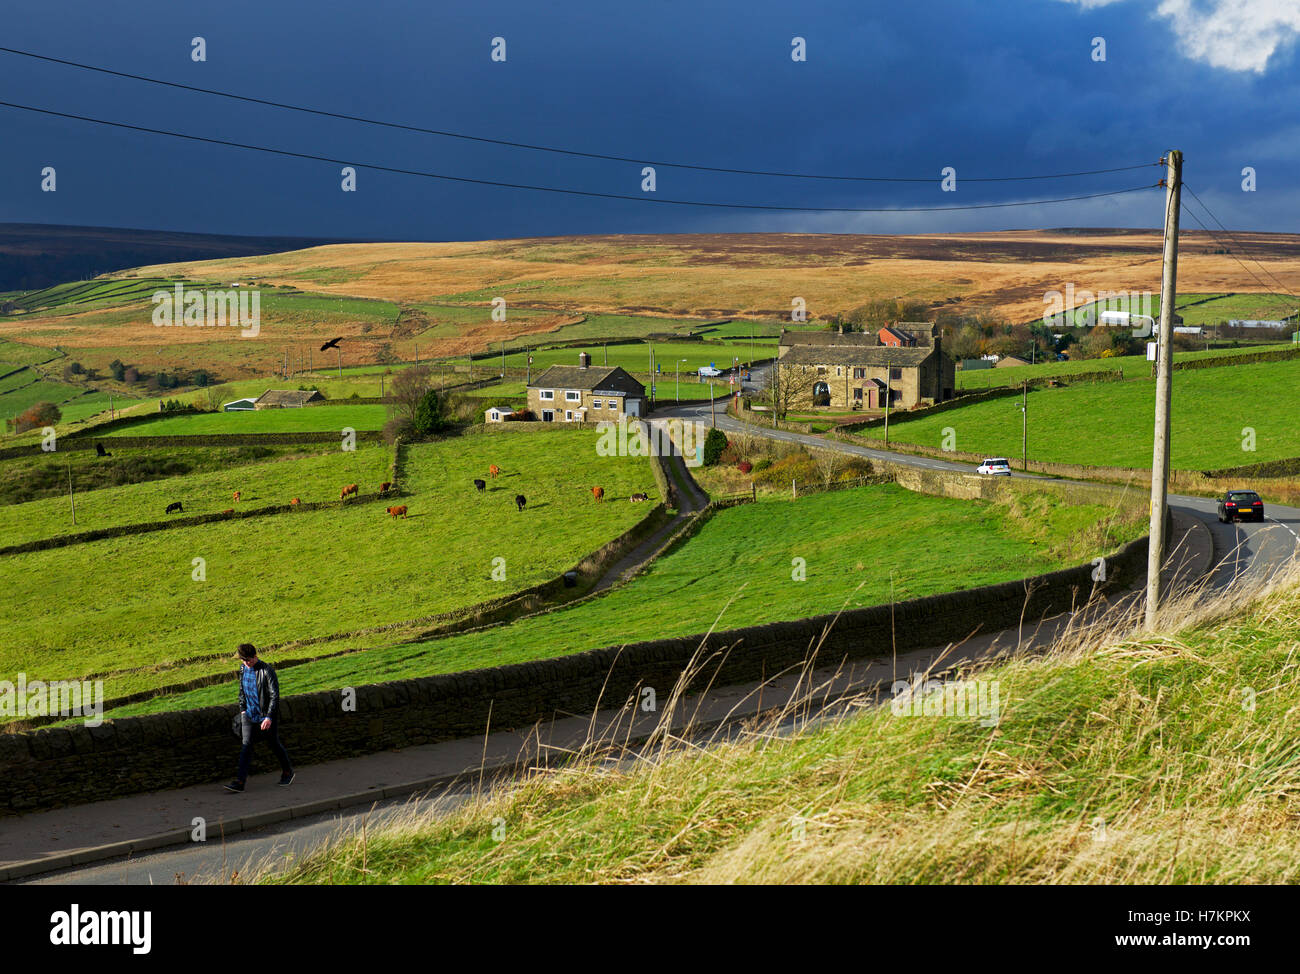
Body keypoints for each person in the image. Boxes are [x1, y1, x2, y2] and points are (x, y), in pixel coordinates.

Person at [225, 643, 294, 792]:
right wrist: (243, 710)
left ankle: (288, 771)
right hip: (249, 715)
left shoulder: (267, 671)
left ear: (255, 656)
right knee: (246, 746)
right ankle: (240, 782)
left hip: (265, 717)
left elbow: (275, 696)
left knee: (274, 744)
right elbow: (241, 691)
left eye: (248, 660)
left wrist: (269, 717)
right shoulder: (243, 668)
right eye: (243, 661)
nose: (246, 663)